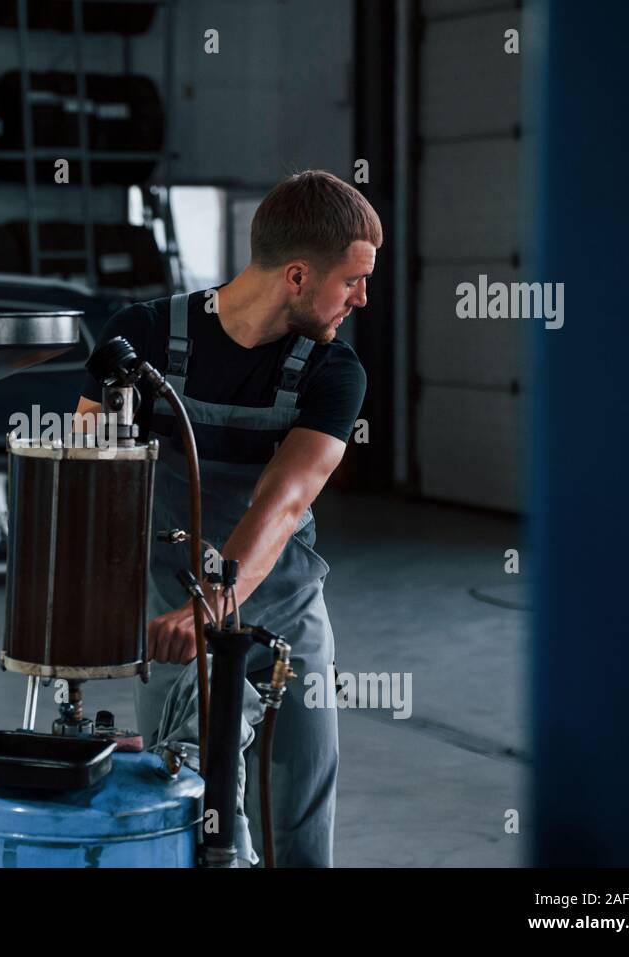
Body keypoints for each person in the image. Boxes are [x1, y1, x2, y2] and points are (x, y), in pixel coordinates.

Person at [75, 169, 381, 866]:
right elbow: (92, 472)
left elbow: (286, 498)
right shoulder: (142, 337)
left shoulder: (335, 372)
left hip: (284, 610)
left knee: (296, 826)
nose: (362, 298)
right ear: (298, 276)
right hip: (173, 615)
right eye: (353, 280)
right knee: (185, 809)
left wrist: (214, 602)